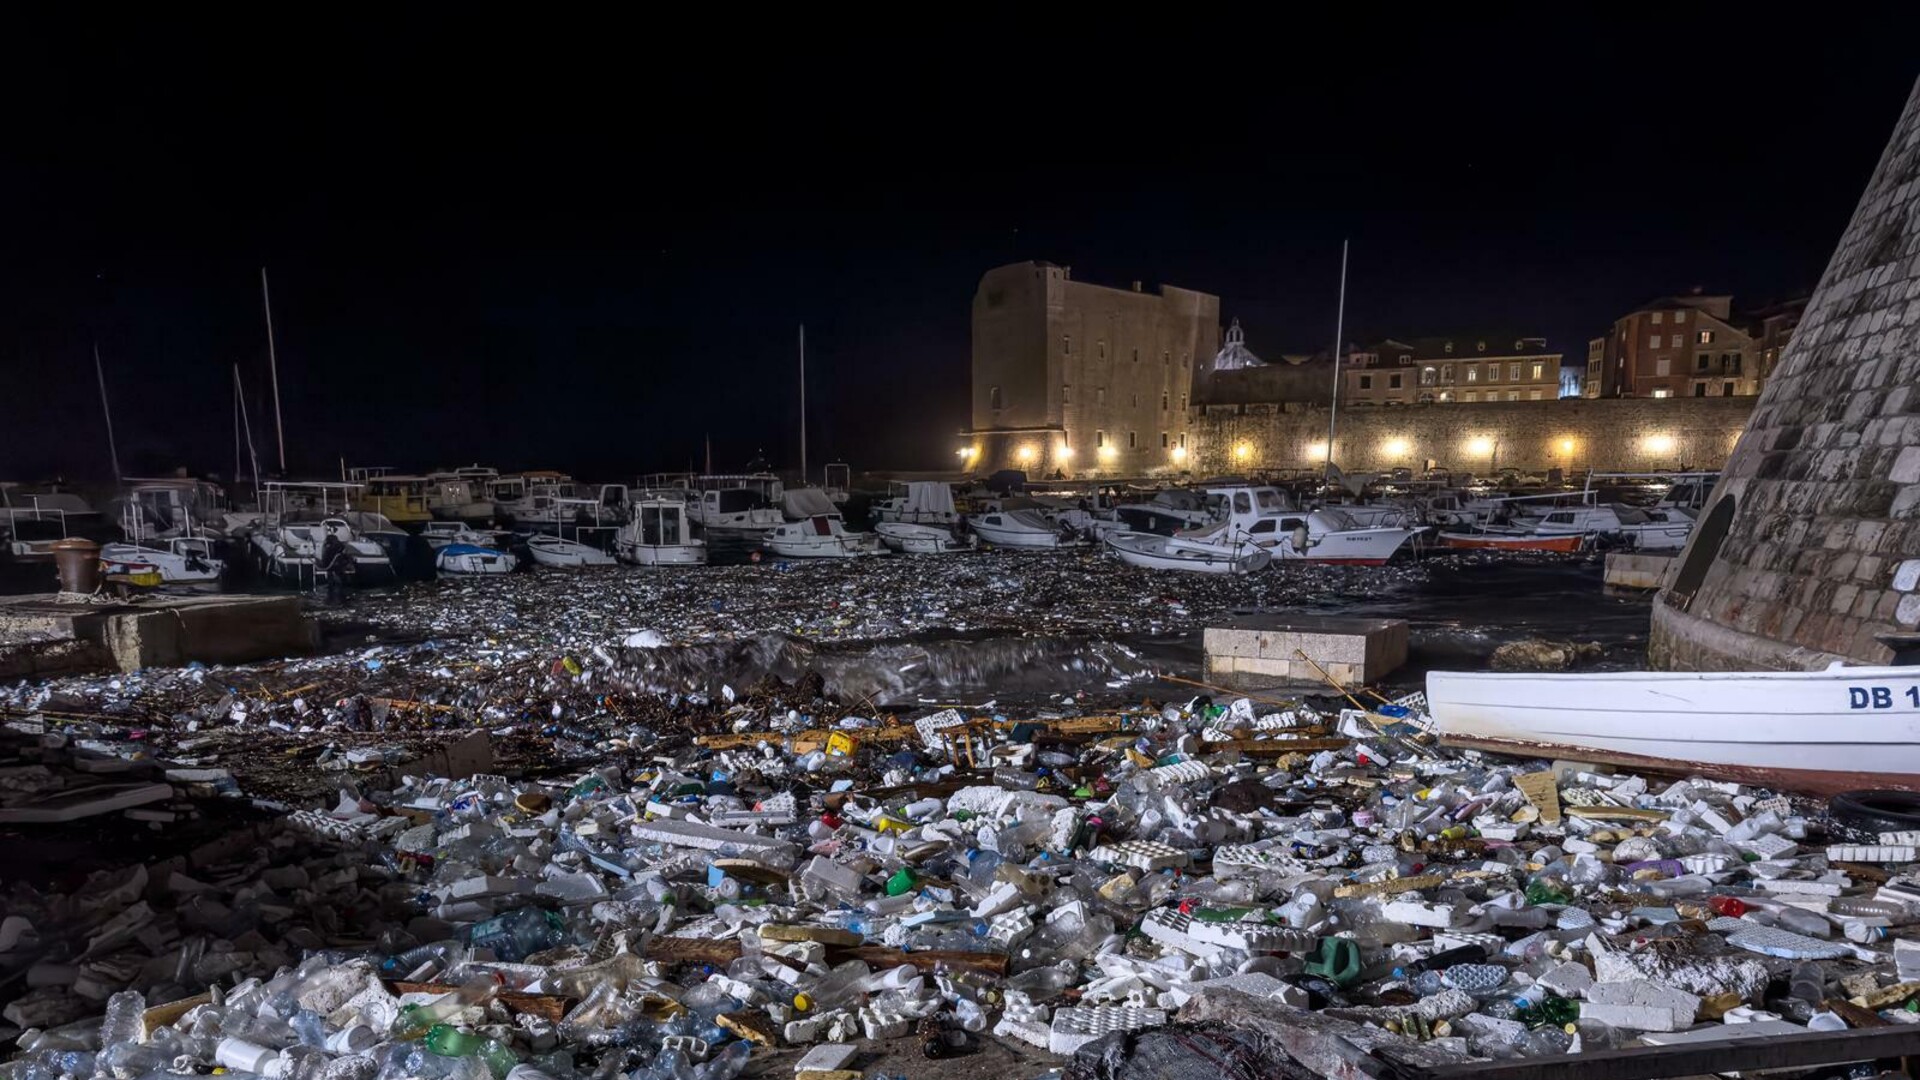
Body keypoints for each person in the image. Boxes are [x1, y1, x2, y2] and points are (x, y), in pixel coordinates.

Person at [319, 532, 349, 605]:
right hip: (333, 566)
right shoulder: (333, 547)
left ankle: (333, 591)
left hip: (330, 566)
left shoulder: (326, 546)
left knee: (333, 584)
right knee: (336, 584)